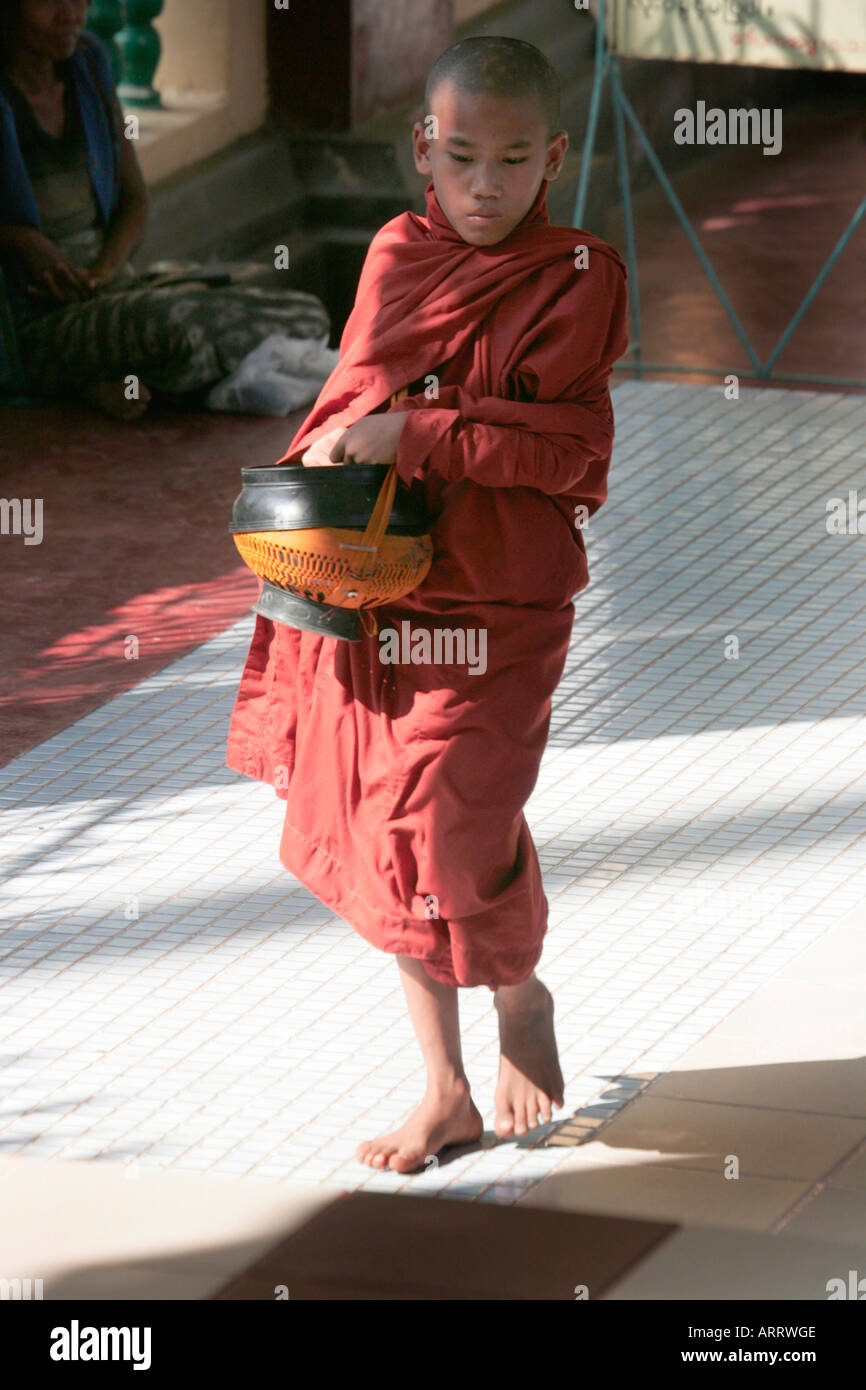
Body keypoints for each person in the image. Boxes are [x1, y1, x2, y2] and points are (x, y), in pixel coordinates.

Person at [226, 35, 629, 1172]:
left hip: (500, 605)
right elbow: (345, 399)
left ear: (553, 155)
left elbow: (569, 452)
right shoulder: (398, 253)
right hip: (379, 590)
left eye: (512, 159)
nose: (487, 185)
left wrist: (418, 431)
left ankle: (518, 992)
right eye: (461, 158)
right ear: (422, 152)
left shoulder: (578, 274)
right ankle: (442, 1088)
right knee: (382, 835)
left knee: (452, 824)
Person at [0, 0, 330, 419]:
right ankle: (103, 379)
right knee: (179, 326)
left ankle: (120, 379)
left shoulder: (88, 63)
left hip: (115, 293)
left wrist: (103, 271)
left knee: (304, 312)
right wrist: (23, 241)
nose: (71, 14)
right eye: (50, 1)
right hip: (40, 326)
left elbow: (135, 200)